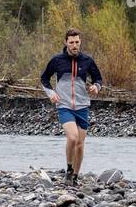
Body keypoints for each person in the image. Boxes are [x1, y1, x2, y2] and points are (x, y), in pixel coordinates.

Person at [40, 28, 103, 186]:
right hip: (64, 105)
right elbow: (44, 78)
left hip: (82, 106)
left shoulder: (87, 61)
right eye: (71, 42)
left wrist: (96, 87)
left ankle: (74, 177)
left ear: (80, 42)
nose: (74, 45)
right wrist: (51, 94)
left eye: (77, 42)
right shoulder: (57, 60)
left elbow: (98, 78)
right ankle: (69, 168)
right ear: (65, 43)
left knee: (80, 145)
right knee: (73, 138)